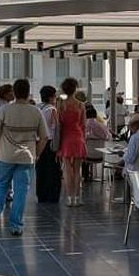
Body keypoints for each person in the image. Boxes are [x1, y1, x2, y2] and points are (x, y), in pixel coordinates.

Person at [0, 79, 49, 236]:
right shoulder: (35, 112)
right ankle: (16, 225)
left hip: (5, 155)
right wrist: (37, 153)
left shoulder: (5, 110)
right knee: (20, 191)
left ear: (15, 92)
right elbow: (45, 137)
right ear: (28, 92)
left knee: (1, 186)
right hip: (26, 157)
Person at [56, 78, 88, 207]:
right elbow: (83, 125)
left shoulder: (61, 105)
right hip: (78, 137)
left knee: (67, 170)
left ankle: (69, 198)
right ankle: (78, 197)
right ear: (75, 89)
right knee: (77, 170)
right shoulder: (81, 105)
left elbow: (58, 123)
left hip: (66, 138)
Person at [35, 86, 62, 203]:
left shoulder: (37, 108)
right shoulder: (52, 109)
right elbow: (56, 128)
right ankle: (52, 195)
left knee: (40, 169)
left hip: (38, 141)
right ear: (52, 97)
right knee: (53, 170)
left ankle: (41, 194)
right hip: (50, 142)